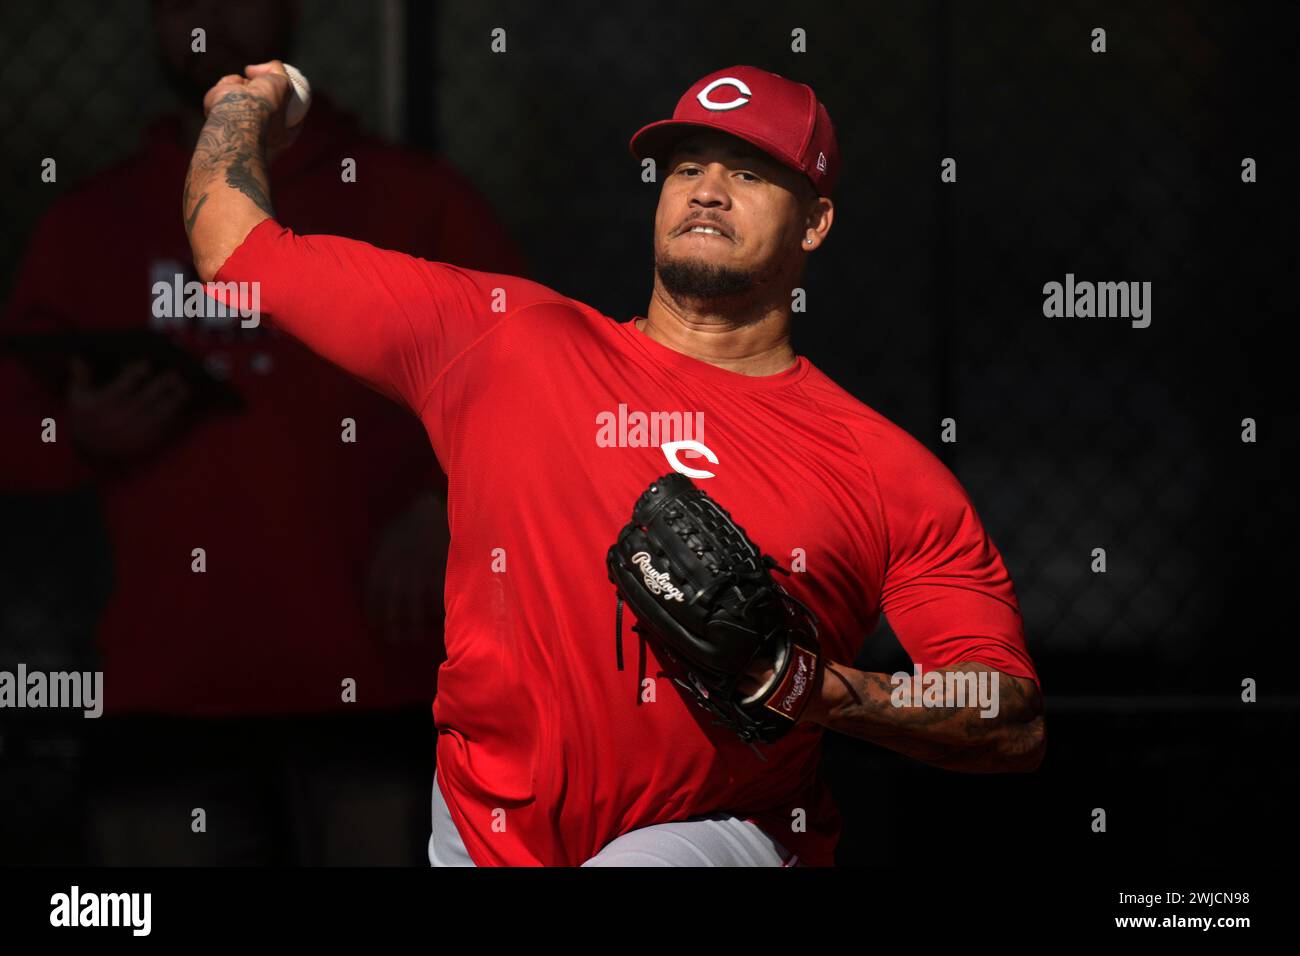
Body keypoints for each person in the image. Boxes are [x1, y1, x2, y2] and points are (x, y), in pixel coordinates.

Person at [183, 62, 1045, 867]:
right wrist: (243, 106)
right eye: (686, 166)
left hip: (713, 836)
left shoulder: (881, 469)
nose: (707, 188)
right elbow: (238, 255)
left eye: (748, 172)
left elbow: (1008, 717)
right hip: (484, 828)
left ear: (815, 219)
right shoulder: (503, 341)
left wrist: (811, 687)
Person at [0, 0, 525, 865]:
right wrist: (78, 433)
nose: (208, 18)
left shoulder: (409, 199)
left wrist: (446, 507)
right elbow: (16, 431)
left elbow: (531, 387)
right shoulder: (91, 220)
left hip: (383, 682)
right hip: (164, 691)